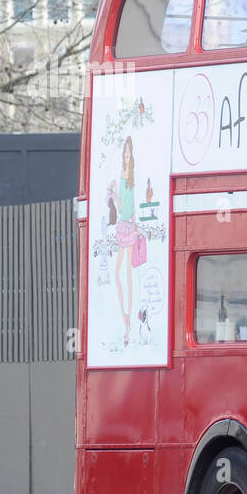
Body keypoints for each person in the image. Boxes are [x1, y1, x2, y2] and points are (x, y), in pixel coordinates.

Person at [109, 136, 137, 346]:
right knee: (119, 273)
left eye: (129, 153)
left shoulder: (133, 176)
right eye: (125, 153)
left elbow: (130, 204)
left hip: (129, 225)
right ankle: (125, 318)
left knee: (127, 274)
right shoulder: (123, 175)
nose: (127, 156)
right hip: (123, 225)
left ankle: (129, 325)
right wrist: (113, 193)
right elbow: (121, 206)